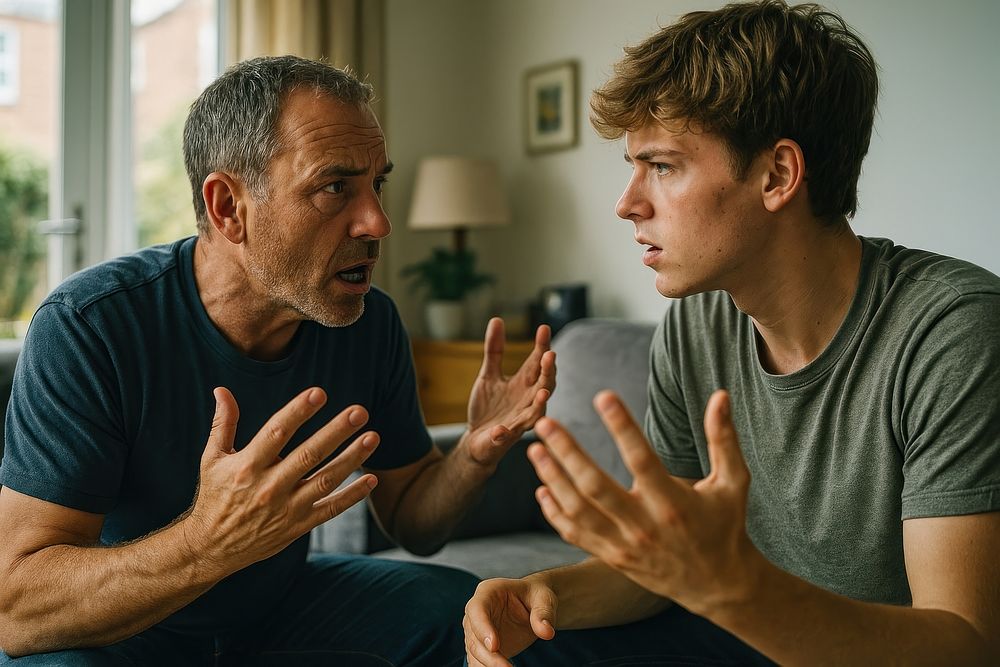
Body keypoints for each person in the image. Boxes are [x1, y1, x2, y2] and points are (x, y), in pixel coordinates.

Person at [463, 1, 1000, 665]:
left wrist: (732, 588)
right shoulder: (695, 324)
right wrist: (539, 592)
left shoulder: (953, 332)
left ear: (776, 175)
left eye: (662, 166)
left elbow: (969, 646)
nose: (627, 202)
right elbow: (665, 567)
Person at [0, 55, 556, 665]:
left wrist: (474, 454)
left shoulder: (367, 322)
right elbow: (17, 610)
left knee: (468, 612)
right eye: (334, 187)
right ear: (228, 207)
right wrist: (209, 544)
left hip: (278, 607)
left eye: (377, 184)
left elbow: (414, 524)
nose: (378, 221)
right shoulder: (91, 325)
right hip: (123, 629)